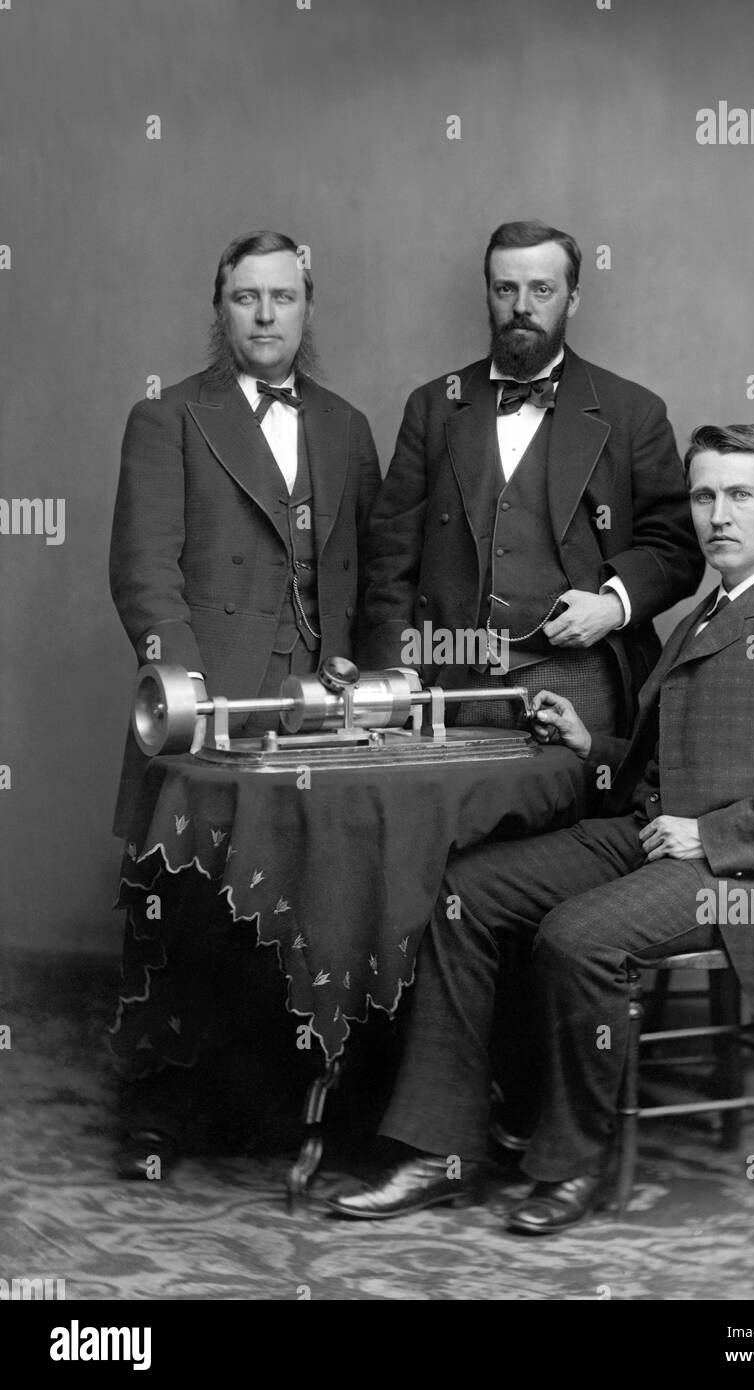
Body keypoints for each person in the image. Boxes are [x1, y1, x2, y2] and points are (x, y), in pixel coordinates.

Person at [327, 422, 754, 1234]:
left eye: (741, 496)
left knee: (577, 936)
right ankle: (437, 1148)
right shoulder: (703, 616)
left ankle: (568, 1164)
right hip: (653, 836)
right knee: (466, 891)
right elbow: (685, 757)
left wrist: (715, 837)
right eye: (704, 496)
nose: (718, 516)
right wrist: (599, 746)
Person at [108, 230, 380, 1176]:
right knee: (181, 912)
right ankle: (157, 1113)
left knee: (292, 904)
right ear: (218, 309)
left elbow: (362, 577)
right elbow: (145, 574)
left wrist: (358, 675)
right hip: (205, 708)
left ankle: (265, 1107)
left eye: (282, 298)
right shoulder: (170, 417)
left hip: (310, 708)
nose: (265, 316)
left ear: (308, 307)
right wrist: (188, 696)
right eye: (245, 299)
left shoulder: (347, 427)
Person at [362, 219, 704, 736]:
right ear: (489, 295)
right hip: (450, 679)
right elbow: (390, 556)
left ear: (572, 299)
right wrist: (399, 669)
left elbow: (676, 548)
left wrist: (613, 605)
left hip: (582, 679)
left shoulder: (632, 412)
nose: (522, 305)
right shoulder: (433, 407)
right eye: (506, 288)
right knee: (454, 815)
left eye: (541, 289)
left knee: (576, 815)